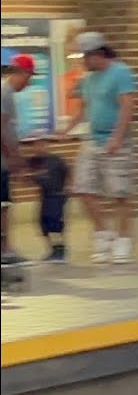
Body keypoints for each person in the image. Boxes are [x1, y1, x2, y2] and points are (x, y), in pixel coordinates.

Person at [58, 32, 137, 264]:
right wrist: (67, 129)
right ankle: (103, 234)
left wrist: (117, 137)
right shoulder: (88, 78)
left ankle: (123, 241)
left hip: (117, 141)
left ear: (98, 53)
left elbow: (127, 108)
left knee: (119, 192)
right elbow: (82, 108)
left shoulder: (121, 73)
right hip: (92, 140)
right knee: (82, 187)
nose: (82, 61)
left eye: (85, 56)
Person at [1, 54, 36, 266]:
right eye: (29, 76)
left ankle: (7, 249)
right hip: (2, 160)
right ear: (20, 73)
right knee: (3, 206)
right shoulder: (4, 93)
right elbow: (1, 128)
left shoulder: (7, 93)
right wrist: (14, 157)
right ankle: (5, 251)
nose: (29, 82)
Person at [28, 135, 69, 264]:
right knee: (42, 223)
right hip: (44, 196)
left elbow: (68, 172)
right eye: (36, 144)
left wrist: (69, 186)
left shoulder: (56, 160)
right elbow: (26, 176)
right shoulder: (34, 162)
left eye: (42, 144)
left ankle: (61, 250)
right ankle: (52, 250)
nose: (39, 147)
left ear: (47, 145)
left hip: (57, 195)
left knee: (55, 222)